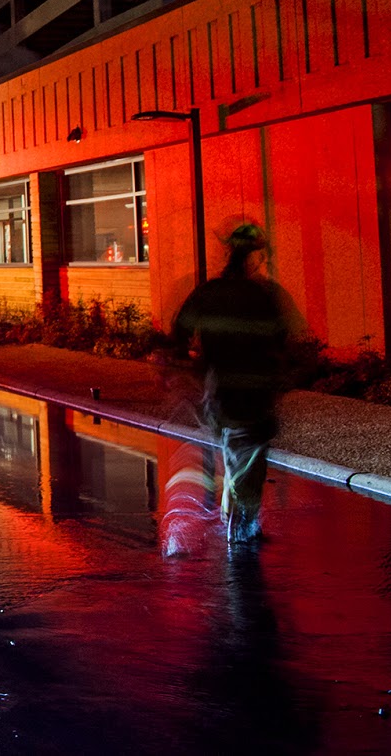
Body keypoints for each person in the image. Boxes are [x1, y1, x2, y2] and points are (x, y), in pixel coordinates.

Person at [172, 223, 289, 544]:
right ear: (255, 258)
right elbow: (282, 342)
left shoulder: (208, 292)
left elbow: (178, 331)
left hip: (219, 392)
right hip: (253, 394)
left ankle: (232, 522)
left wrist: (190, 367)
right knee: (249, 466)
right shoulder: (263, 296)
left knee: (232, 452)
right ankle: (240, 540)